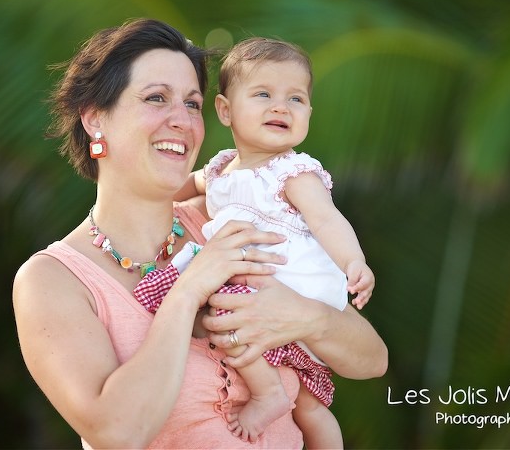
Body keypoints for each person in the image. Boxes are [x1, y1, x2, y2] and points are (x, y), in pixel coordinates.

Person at [12, 18, 388, 449]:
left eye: (192, 104)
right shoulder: (52, 280)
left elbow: (372, 358)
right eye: (156, 98)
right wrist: (188, 290)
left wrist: (307, 317)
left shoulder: (228, 223)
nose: (182, 120)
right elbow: (117, 432)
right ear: (96, 118)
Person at [134, 37, 375, 447]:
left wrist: (355, 262)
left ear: (309, 113)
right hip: (256, 282)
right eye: (263, 94)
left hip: (292, 283)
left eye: (296, 99)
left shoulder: (294, 172)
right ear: (225, 110)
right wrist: (150, 196)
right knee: (309, 404)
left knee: (222, 313)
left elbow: (327, 219)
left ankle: (266, 393)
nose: (281, 107)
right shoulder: (221, 169)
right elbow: (184, 186)